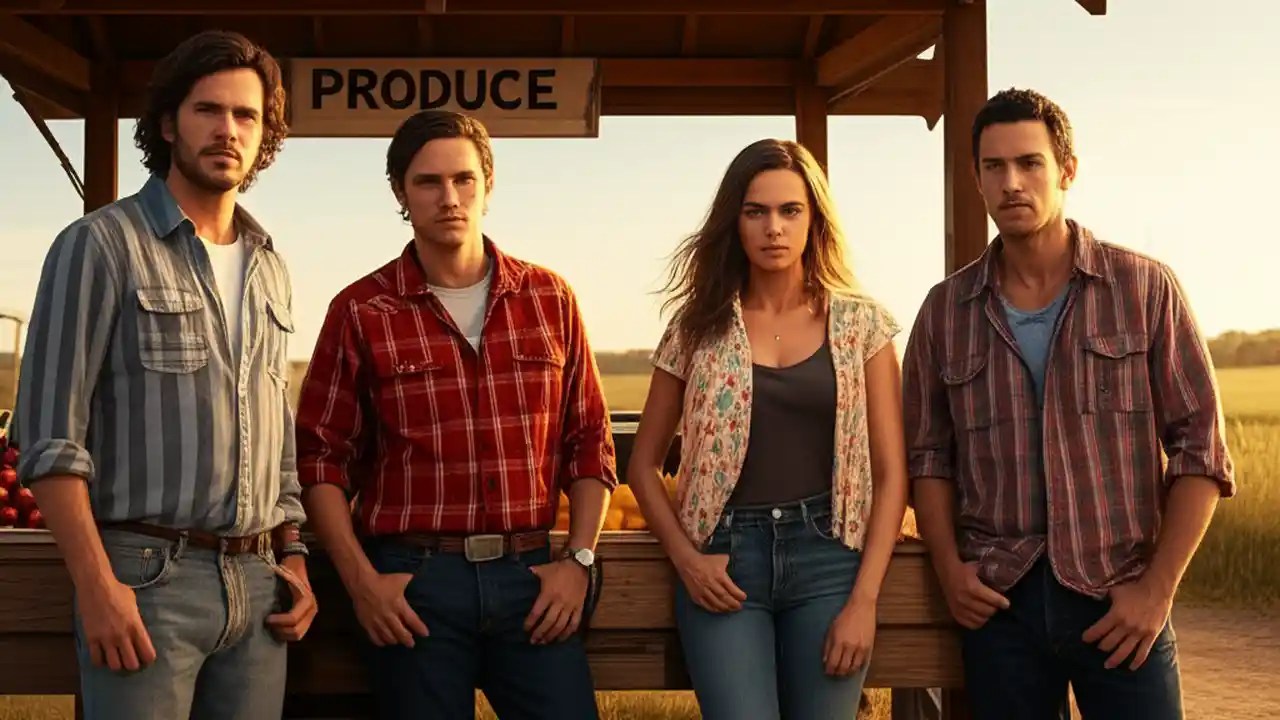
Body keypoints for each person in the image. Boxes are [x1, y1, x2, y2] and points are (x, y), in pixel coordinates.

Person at [10, 29, 316, 720]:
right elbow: (50, 438)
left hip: (260, 585)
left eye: (247, 116)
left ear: (266, 135)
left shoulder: (271, 266)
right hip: (147, 580)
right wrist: (97, 585)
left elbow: (279, 438)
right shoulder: (98, 246)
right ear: (168, 122)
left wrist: (292, 555)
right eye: (209, 109)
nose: (228, 130)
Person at [903, 87, 1235, 720]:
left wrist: (1157, 590)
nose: (1012, 183)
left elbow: (1200, 448)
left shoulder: (1142, 288)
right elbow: (928, 456)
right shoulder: (945, 312)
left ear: (1067, 171)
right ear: (976, 179)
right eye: (994, 167)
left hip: (1120, 601)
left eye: (1030, 163)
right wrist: (949, 570)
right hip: (1001, 605)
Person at [294, 109, 617, 720]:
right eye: (428, 182)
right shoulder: (362, 310)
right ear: (399, 192)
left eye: (464, 180)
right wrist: (362, 583)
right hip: (414, 585)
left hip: (532, 577)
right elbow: (319, 459)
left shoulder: (549, 298)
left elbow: (590, 441)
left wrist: (577, 561)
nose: (450, 197)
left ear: (487, 184)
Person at [626, 139, 910, 720]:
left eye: (790, 211)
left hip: (831, 558)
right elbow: (643, 465)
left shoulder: (863, 324)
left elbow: (891, 471)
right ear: (735, 221)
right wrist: (686, 559)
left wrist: (864, 599)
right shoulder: (698, 326)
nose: (773, 228)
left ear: (814, 220)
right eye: (756, 211)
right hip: (725, 562)